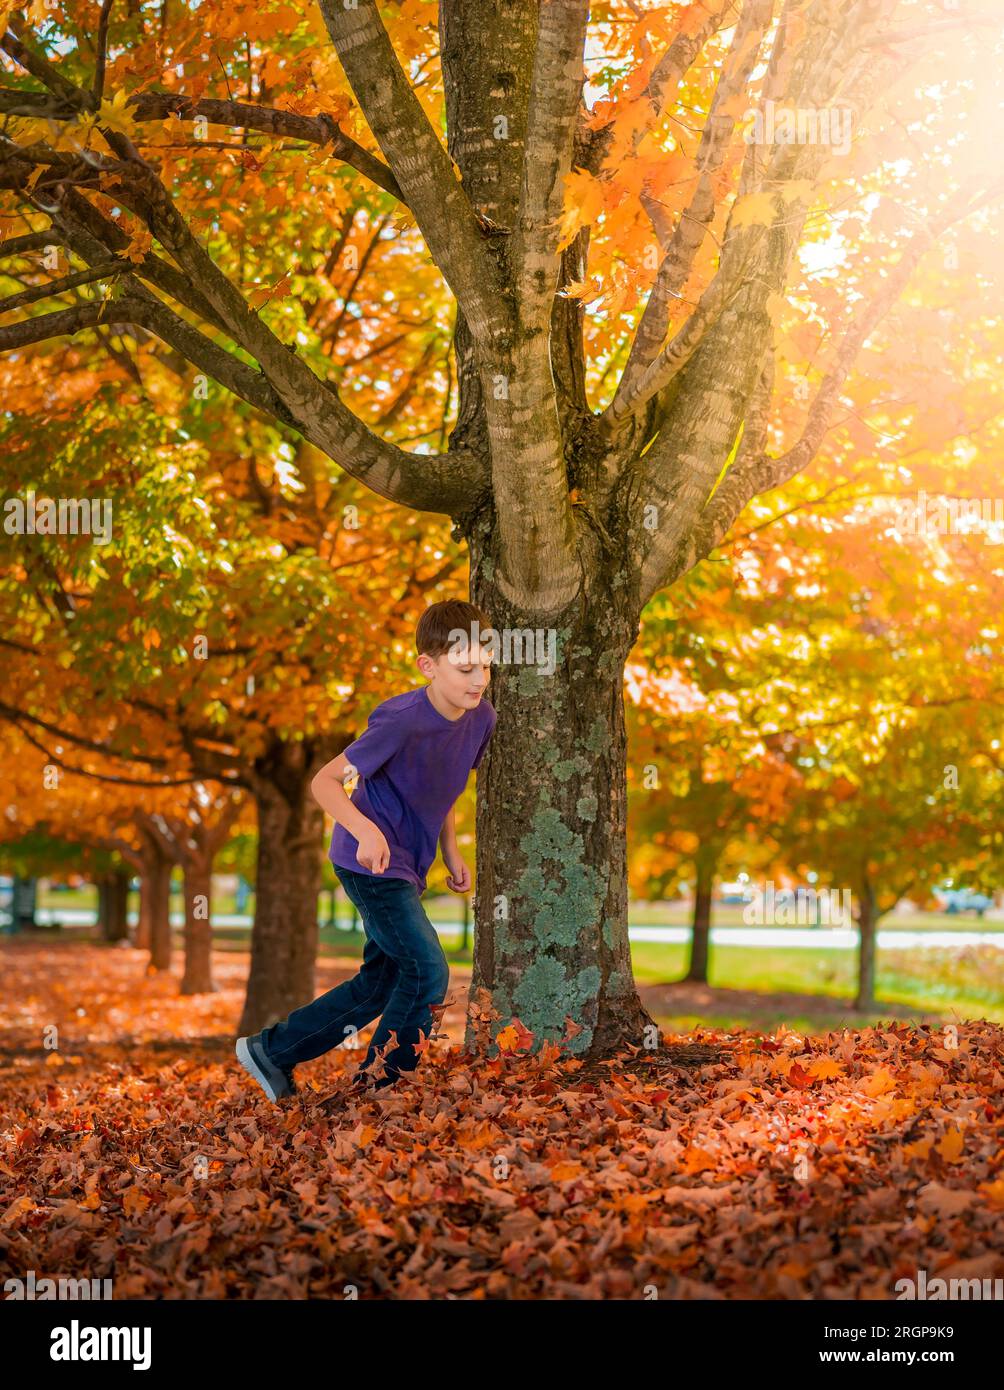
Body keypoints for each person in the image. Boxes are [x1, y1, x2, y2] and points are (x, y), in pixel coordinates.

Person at [236, 599, 497, 1101]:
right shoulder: (401, 719)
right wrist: (365, 831)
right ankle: (381, 1088)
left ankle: (272, 1052)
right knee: (427, 971)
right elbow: (325, 782)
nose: (478, 678)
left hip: (409, 864)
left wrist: (451, 848)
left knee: (381, 983)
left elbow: (442, 788)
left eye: (485, 665)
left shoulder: (479, 718)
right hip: (369, 863)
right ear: (428, 665)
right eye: (465, 667)